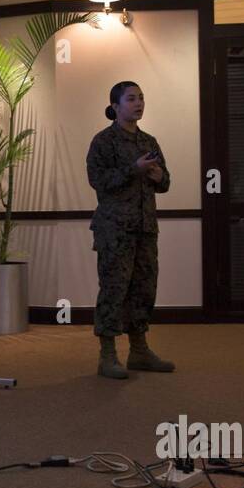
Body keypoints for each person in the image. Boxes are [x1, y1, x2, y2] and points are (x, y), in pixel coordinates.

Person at [85, 80, 175, 378]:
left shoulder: (149, 141)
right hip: (115, 230)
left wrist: (159, 175)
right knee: (114, 289)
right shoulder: (104, 141)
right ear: (115, 106)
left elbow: (164, 184)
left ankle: (139, 351)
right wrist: (132, 169)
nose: (139, 104)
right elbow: (98, 180)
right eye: (132, 99)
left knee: (143, 289)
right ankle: (107, 355)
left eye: (141, 98)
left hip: (145, 228)